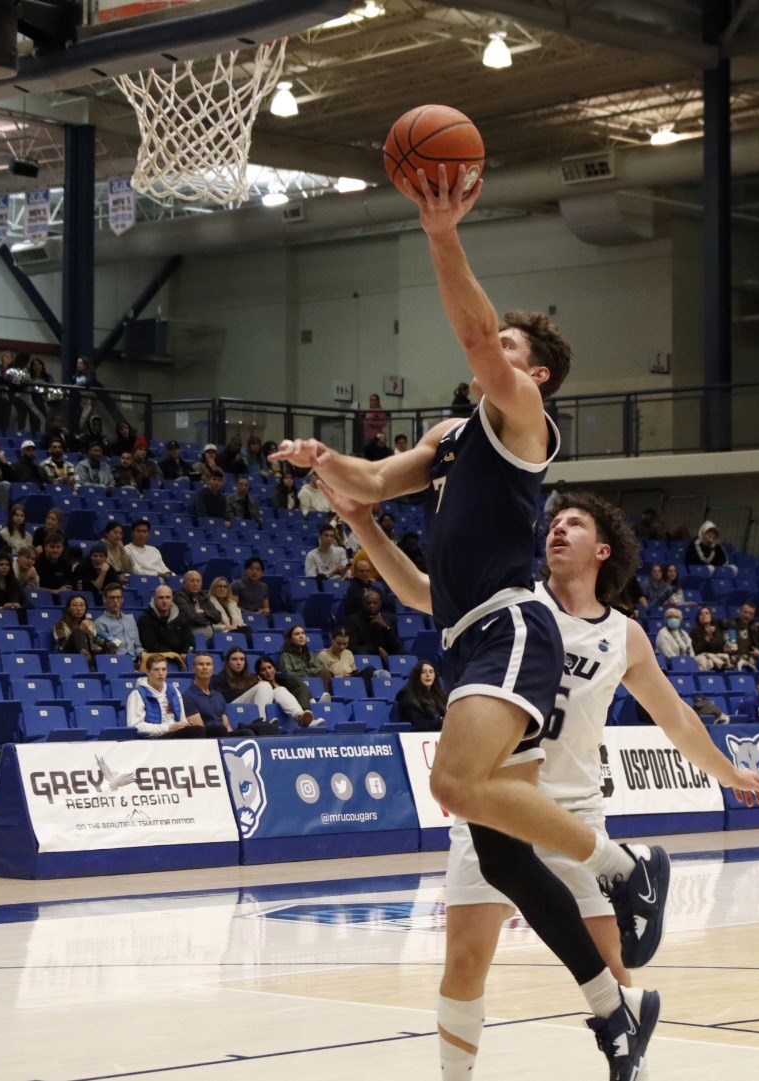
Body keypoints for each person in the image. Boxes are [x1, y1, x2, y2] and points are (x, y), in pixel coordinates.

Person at [275, 166, 673, 1081]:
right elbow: (372, 483)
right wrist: (323, 462)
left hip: (512, 627)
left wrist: (441, 233)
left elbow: (469, 334)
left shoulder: (523, 417)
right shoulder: (454, 438)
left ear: (530, 372)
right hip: (466, 638)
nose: (485, 347)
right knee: (504, 857)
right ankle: (614, 1016)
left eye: (503, 343)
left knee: (455, 784)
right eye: (492, 341)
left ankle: (622, 865)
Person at [345, 486, 759, 1081]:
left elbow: (676, 718)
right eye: (554, 523)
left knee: (609, 964)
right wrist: (363, 522)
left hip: (571, 812)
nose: (557, 531)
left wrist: (727, 773)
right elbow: (417, 589)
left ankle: (629, 1055)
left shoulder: (625, 635)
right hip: (494, 804)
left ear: (602, 550)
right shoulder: (512, 602)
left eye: (574, 524)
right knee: (464, 960)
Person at [126, 657, 205, 739]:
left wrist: (184, 725)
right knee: (197, 731)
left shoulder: (173, 691)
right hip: (154, 738)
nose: (161, 673)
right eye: (156, 670)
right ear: (148, 672)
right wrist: (167, 728)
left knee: (211, 729)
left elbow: (182, 719)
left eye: (164, 669)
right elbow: (135, 727)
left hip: (174, 734)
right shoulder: (137, 694)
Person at [136, 585, 194, 669]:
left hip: (181, 659)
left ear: (172, 599)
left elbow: (189, 641)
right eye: (161, 598)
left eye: (167, 597)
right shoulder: (145, 619)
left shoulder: (183, 618)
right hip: (157, 661)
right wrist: (174, 655)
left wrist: (184, 653)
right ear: (155, 600)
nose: (164, 601)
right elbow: (150, 645)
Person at [345, 588, 401, 671]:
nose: (372, 605)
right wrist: (377, 649)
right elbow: (351, 647)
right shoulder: (353, 620)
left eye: (375, 603)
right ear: (363, 604)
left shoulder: (387, 620)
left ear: (380, 604)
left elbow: (397, 646)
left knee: (405, 654)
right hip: (367, 659)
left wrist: (386, 627)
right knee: (362, 654)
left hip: (386, 658)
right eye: (369, 603)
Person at [92, 584, 144, 667]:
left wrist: (143, 655)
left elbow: (137, 646)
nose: (115, 601)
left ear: (122, 600)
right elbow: (103, 652)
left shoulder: (130, 619)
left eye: (118, 597)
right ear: (105, 600)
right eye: (112, 598)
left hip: (135, 662)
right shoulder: (99, 622)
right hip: (116, 663)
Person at [51, 595, 105, 663]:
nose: (79, 608)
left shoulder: (89, 623)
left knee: (107, 644)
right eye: (75, 605)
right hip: (69, 655)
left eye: (82, 605)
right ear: (68, 608)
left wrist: (106, 646)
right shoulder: (59, 625)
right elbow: (62, 644)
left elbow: (95, 643)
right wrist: (80, 629)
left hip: (91, 653)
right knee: (77, 633)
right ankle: (86, 658)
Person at [397, 661, 448, 730]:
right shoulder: (408, 696)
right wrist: (443, 723)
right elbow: (420, 724)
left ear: (435, 676)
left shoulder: (439, 696)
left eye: (431, 672)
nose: (428, 675)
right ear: (417, 675)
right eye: (423, 672)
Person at [688, 606, 732, 671]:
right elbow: (697, 650)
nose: (704, 615)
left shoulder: (717, 630)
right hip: (702, 659)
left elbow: (720, 646)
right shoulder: (694, 632)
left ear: (710, 617)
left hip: (717, 656)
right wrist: (708, 637)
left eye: (707, 613)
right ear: (698, 618)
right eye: (701, 614)